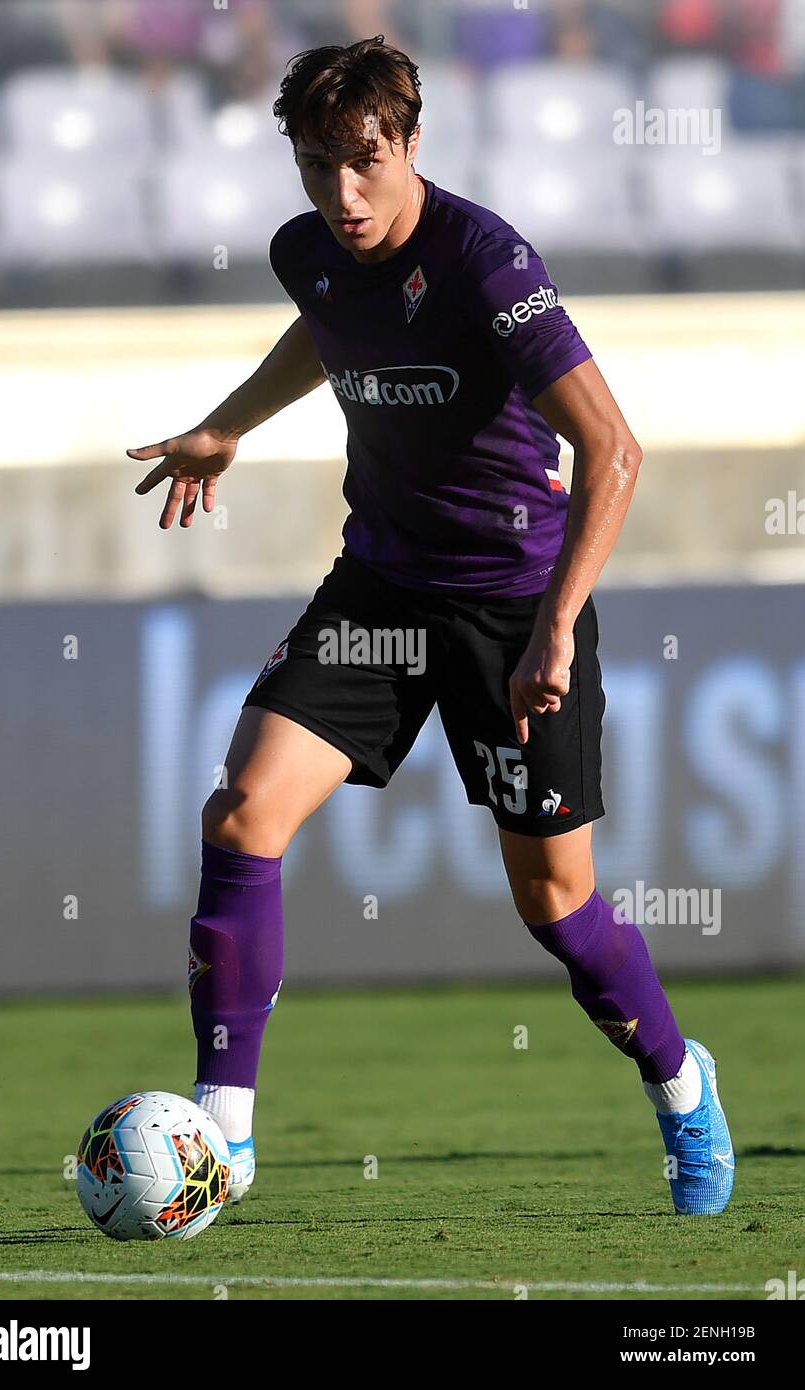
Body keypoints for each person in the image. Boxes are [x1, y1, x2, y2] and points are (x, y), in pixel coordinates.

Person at [128, 35, 735, 1215]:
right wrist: (227, 424)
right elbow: (330, 322)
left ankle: (676, 1075)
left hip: (513, 605)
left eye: (362, 164)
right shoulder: (307, 250)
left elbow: (610, 448)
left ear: (409, 143)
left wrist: (556, 627)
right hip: (380, 588)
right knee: (242, 811)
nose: (340, 197)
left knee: (555, 905)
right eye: (315, 167)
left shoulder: (486, 262)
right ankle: (226, 1138)